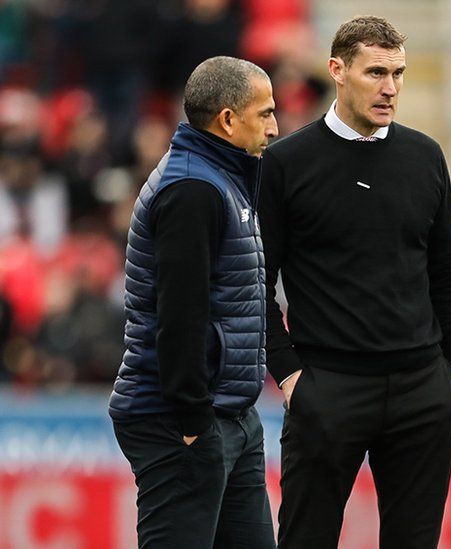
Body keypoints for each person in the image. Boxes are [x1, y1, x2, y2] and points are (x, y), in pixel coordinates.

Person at [258, 16, 451, 548]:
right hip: (327, 387)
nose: (390, 87)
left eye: (398, 73)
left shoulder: (425, 155)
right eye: (376, 72)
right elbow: (254, 282)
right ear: (337, 70)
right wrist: (289, 376)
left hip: (423, 387)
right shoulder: (285, 162)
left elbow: (450, 268)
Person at [108, 56, 278, 548]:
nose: (274, 125)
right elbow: (179, 316)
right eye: (264, 113)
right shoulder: (192, 189)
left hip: (229, 415)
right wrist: (192, 422)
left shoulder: (221, 177)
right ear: (228, 119)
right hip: (181, 417)